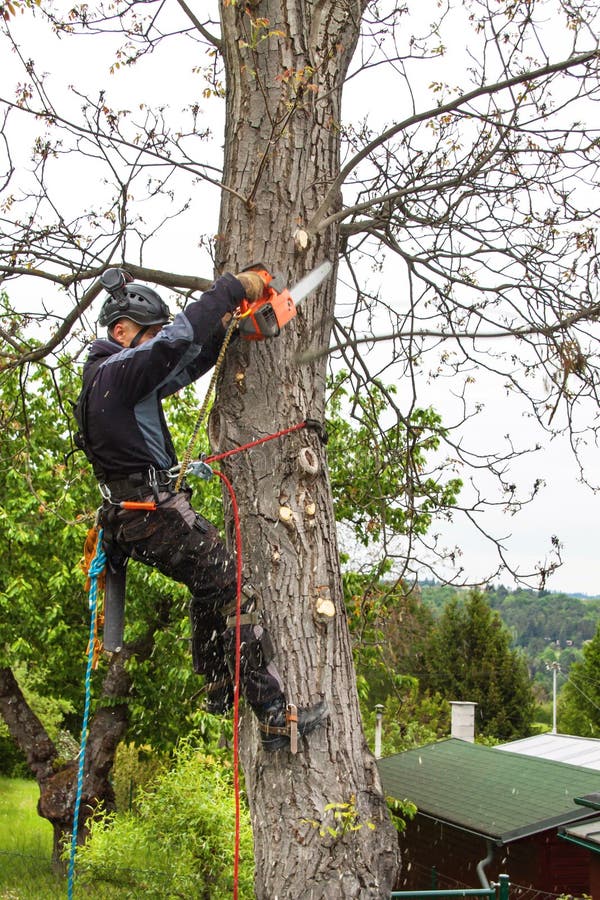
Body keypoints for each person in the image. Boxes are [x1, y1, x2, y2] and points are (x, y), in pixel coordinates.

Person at [75, 267, 327, 751]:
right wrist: (233, 288)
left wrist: (226, 335)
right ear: (121, 331)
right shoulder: (118, 373)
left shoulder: (110, 383)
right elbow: (173, 343)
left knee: (207, 580)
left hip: (135, 519)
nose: (153, 343)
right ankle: (274, 715)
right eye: (146, 334)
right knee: (234, 591)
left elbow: (182, 361)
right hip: (151, 515)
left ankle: (216, 683)